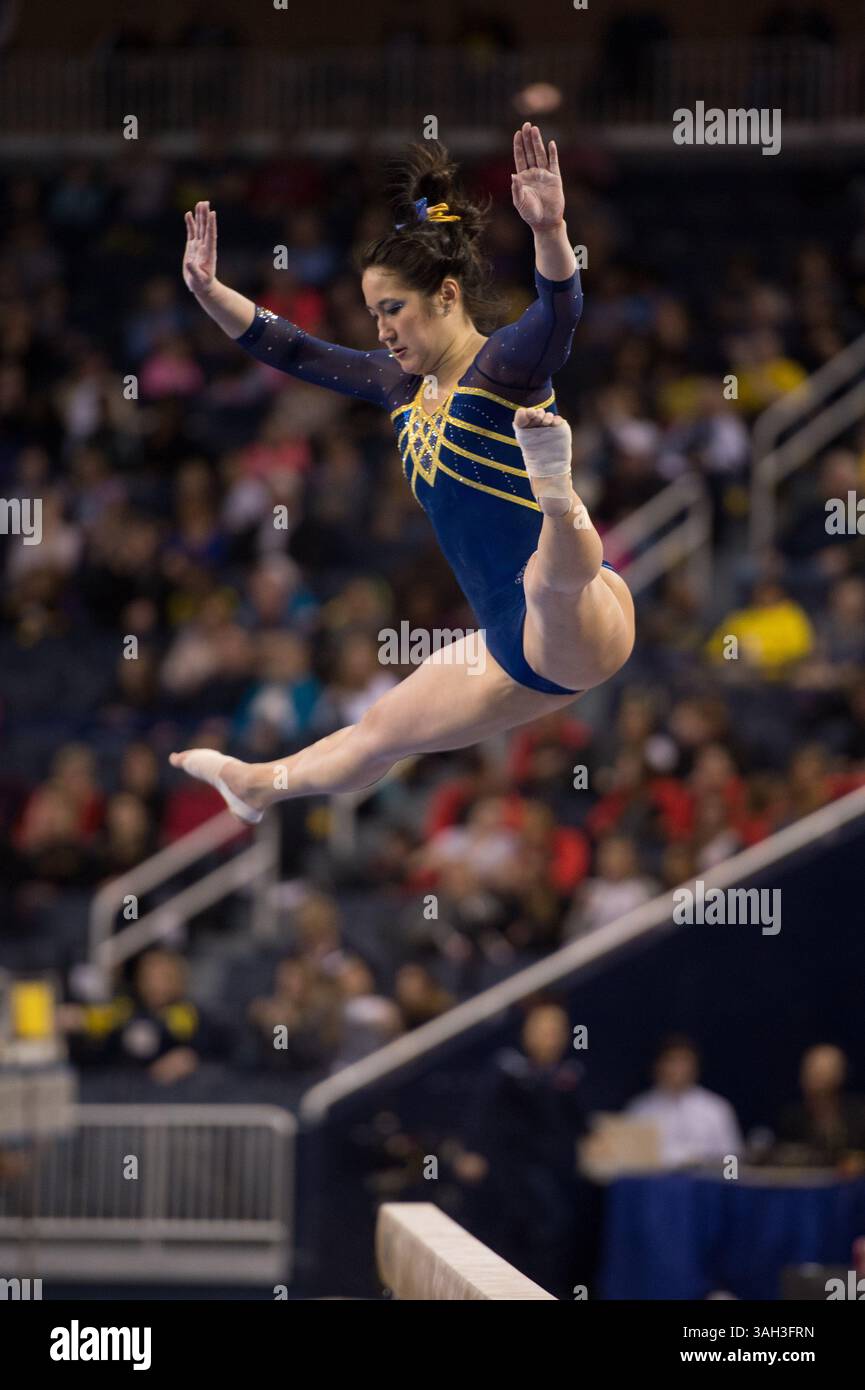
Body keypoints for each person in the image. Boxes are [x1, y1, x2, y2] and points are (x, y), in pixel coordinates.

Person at [171, 125, 634, 821]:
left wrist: (550, 229)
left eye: (393, 310)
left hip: (575, 611)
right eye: (372, 314)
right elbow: (294, 351)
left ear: (446, 296)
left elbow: (561, 311)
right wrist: (210, 293)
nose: (381, 330)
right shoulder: (397, 386)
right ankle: (256, 785)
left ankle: (558, 489)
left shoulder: (501, 366)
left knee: (547, 575)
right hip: (519, 651)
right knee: (380, 730)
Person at [625, 1035, 743, 1168]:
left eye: (684, 1062)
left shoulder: (716, 1109)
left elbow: (732, 1157)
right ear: (658, 1066)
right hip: (654, 1185)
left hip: (705, 1185)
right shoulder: (640, 1109)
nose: (677, 1069)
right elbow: (627, 1160)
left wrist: (727, 1185)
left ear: (695, 1067)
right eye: (671, 1061)